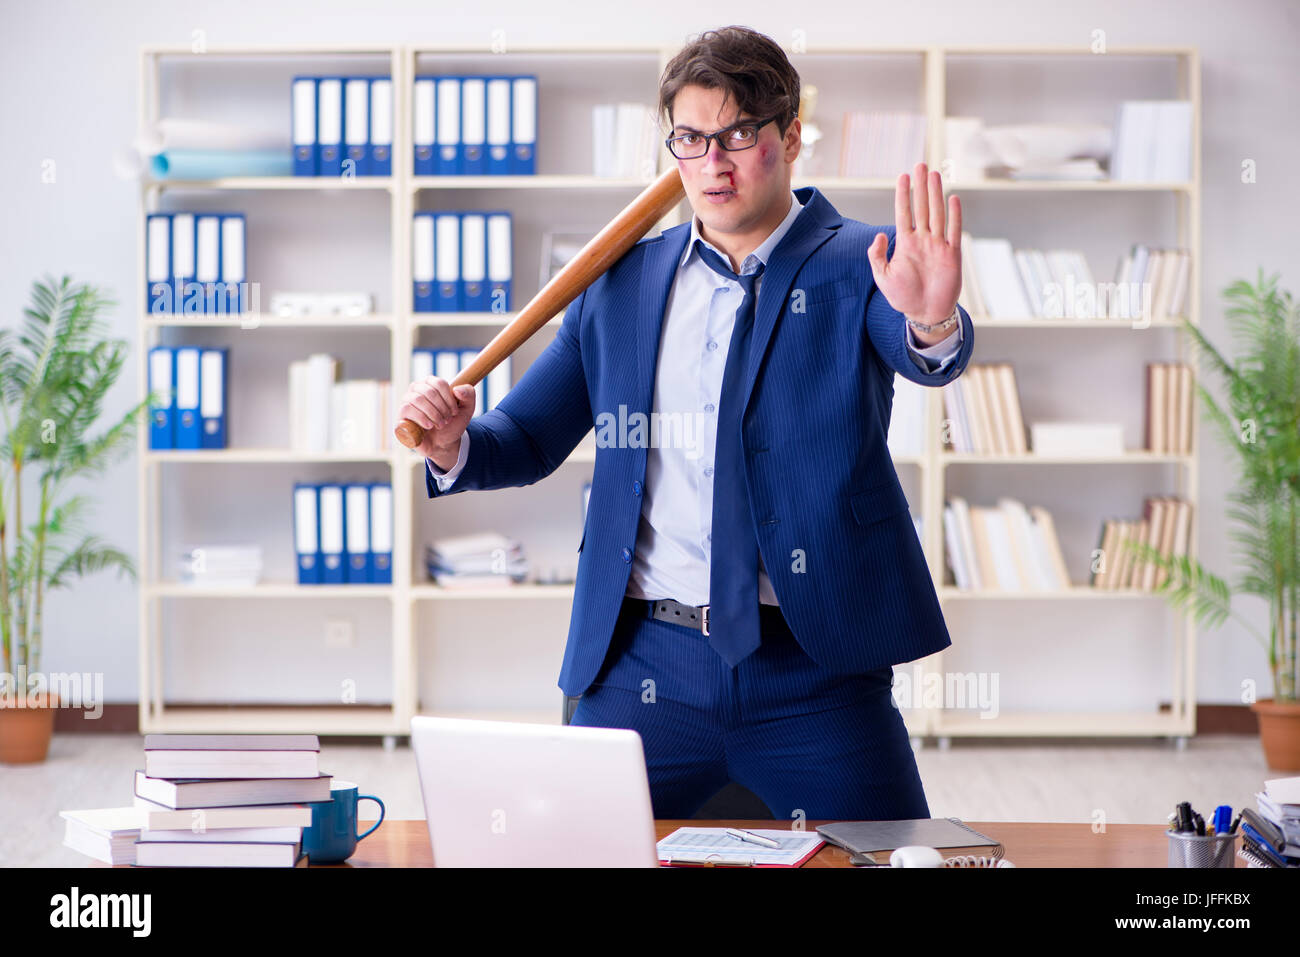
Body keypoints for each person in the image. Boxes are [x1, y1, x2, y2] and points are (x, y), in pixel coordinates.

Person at [399, 24, 973, 820]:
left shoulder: (863, 262)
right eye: (691, 139)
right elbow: (526, 439)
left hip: (816, 674)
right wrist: (454, 441)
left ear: (791, 137)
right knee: (566, 849)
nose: (714, 163)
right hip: (646, 669)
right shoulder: (620, 280)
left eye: (739, 135)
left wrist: (934, 320)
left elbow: (924, 352)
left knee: (891, 853)